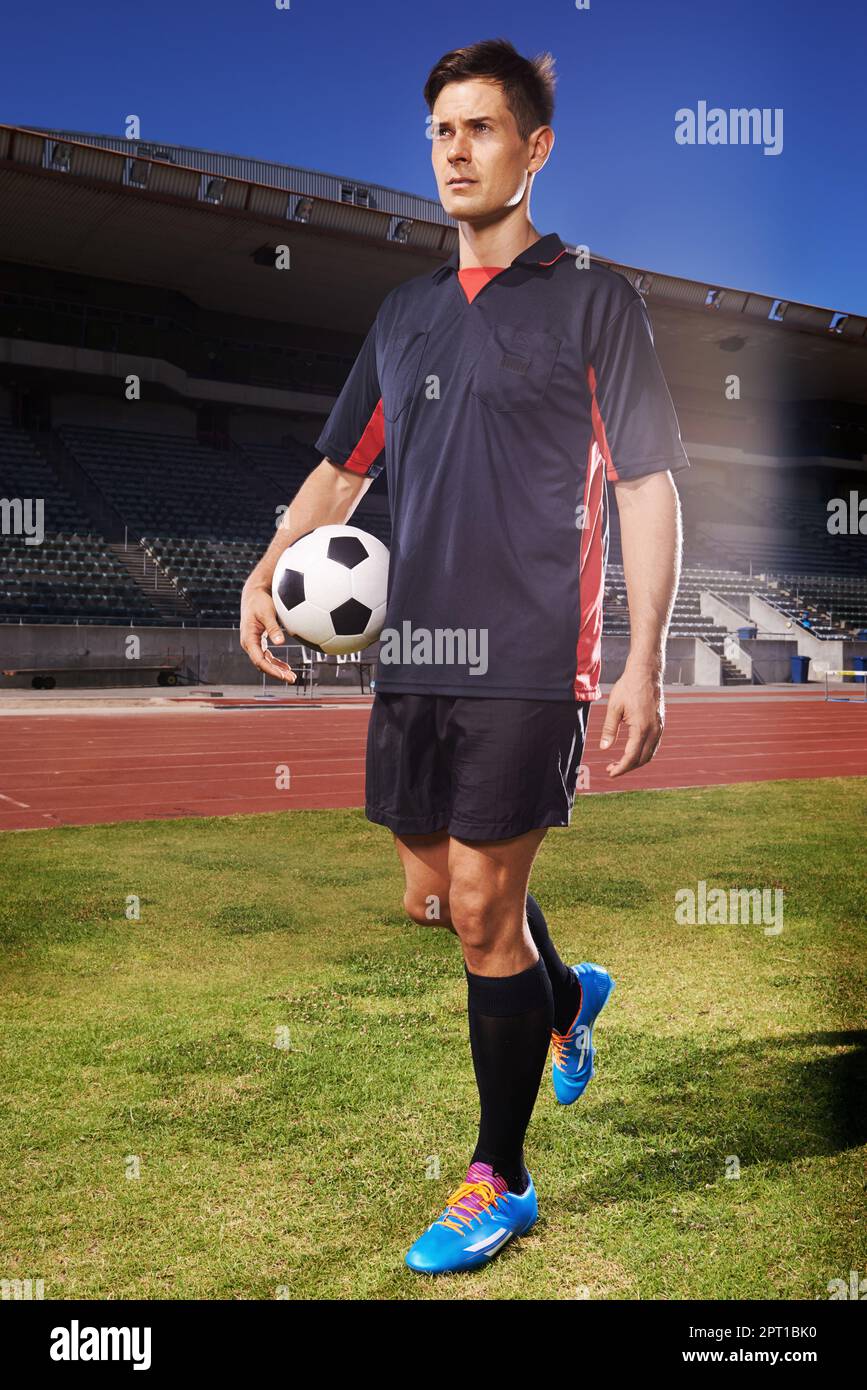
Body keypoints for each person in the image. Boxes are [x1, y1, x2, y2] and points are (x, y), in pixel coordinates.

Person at [241, 37, 687, 1276]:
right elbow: (343, 467)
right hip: (412, 653)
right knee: (436, 897)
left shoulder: (600, 301)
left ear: (535, 148)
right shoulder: (404, 316)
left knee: (489, 911)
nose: (454, 150)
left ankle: (503, 1177)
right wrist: (271, 561)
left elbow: (647, 487)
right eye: (441, 129)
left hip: (532, 655)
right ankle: (565, 994)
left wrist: (643, 658)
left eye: (481, 128)